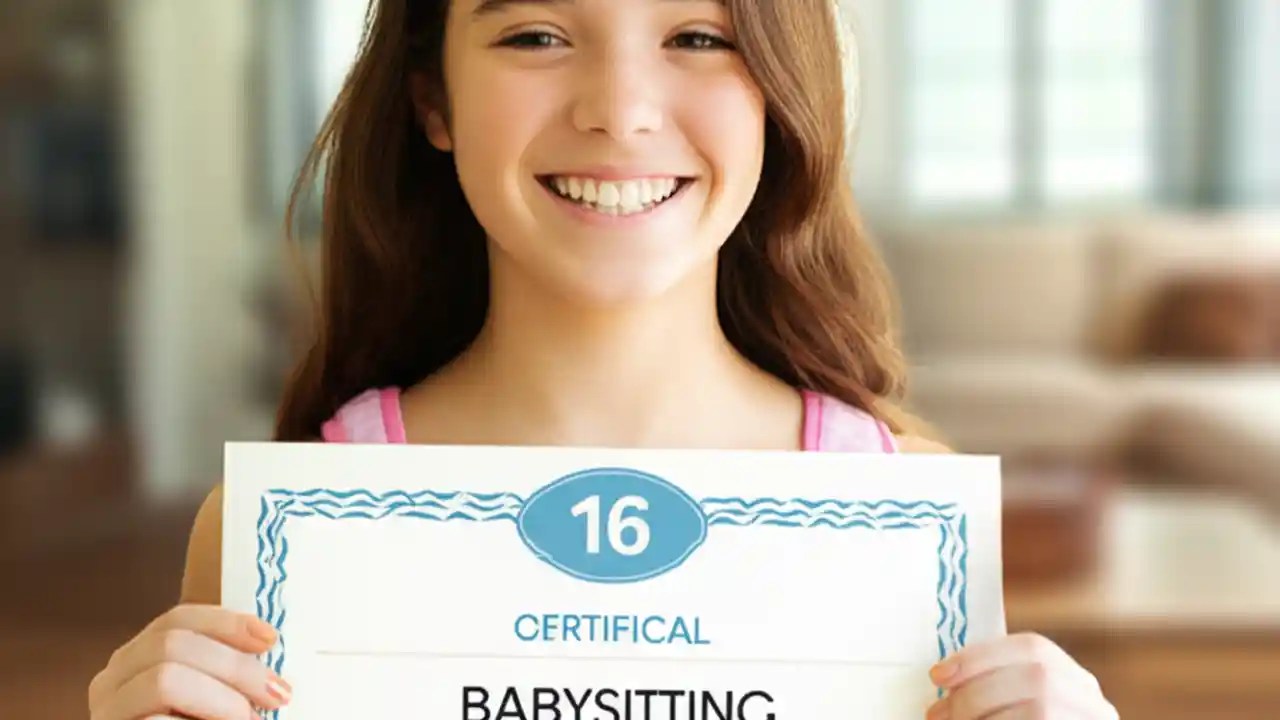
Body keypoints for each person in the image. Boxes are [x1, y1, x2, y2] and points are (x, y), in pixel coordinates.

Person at [89, 0, 1118, 718]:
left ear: (778, 94)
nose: (619, 109)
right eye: (534, 33)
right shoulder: (271, 531)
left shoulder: (904, 518)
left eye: (697, 36)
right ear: (431, 103)